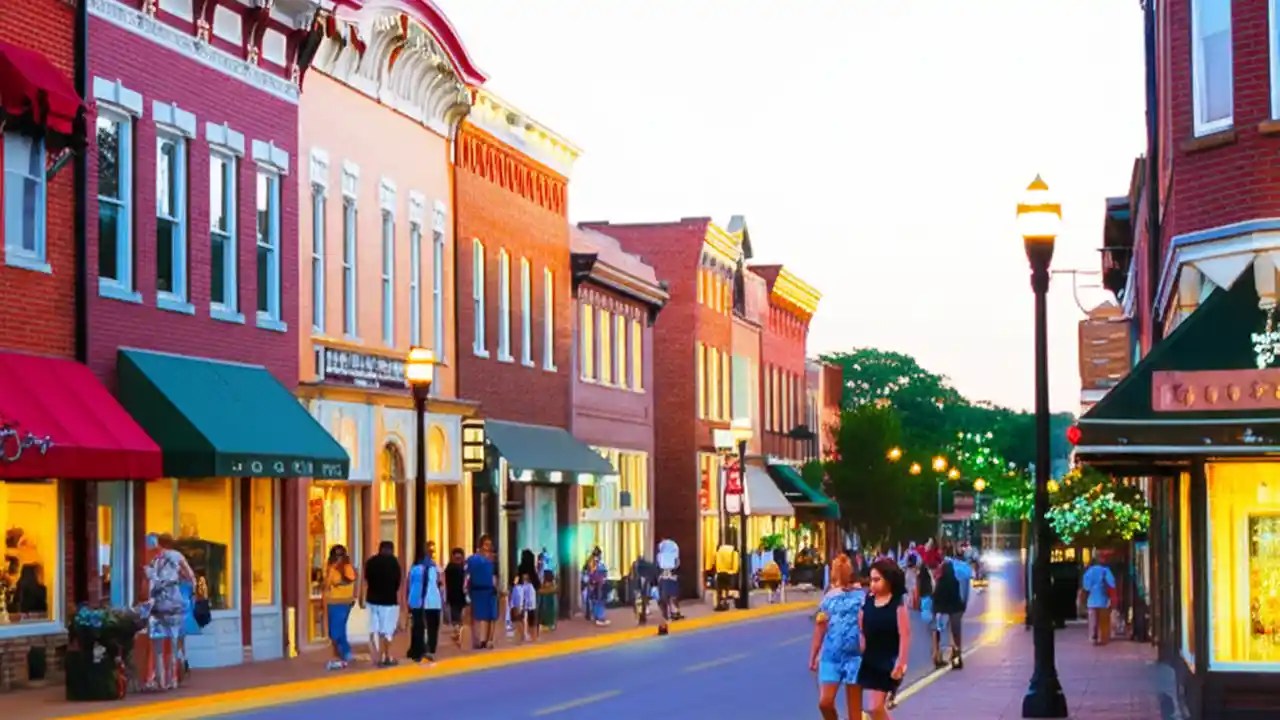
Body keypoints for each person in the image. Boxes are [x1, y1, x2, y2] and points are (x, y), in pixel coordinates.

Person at [809, 555, 865, 720]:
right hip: (831, 657)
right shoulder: (828, 599)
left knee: (854, 714)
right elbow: (821, 628)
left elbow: (867, 627)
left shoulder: (861, 598)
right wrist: (813, 655)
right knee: (825, 703)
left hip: (855, 658)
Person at [858, 558, 911, 720]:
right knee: (872, 709)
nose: (872, 584)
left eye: (877, 580)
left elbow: (905, 634)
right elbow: (860, 627)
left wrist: (901, 663)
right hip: (869, 659)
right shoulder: (867, 601)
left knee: (874, 707)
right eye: (871, 580)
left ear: (888, 580)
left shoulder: (897, 604)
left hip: (888, 661)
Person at [144, 533, 195, 690]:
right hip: (174, 603)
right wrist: (188, 588)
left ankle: (156, 680)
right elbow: (190, 577)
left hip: (156, 603)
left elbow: (147, 580)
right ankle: (172, 679)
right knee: (173, 641)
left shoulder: (152, 557)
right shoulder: (177, 556)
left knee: (156, 643)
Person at [363, 541, 402, 667]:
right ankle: (387, 656)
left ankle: (376, 657)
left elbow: (366, 579)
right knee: (387, 631)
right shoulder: (394, 562)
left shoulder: (371, 562)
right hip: (388, 601)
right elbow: (397, 582)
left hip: (372, 600)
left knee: (374, 630)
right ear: (391, 550)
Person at [406, 542, 444, 663]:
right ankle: (429, 650)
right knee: (432, 627)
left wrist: (408, 601)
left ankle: (418, 650)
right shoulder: (436, 569)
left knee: (418, 627)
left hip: (419, 602)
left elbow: (409, 585)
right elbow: (441, 585)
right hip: (432, 602)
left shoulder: (415, 569)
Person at [322, 544, 357, 670]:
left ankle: (344, 653)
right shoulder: (349, 568)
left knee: (335, 631)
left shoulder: (334, 569)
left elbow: (326, 585)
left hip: (336, 602)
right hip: (344, 602)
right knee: (340, 628)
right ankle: (344, 653)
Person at [465, 534, 499, 649]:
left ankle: (489, 640)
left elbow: (495, 575)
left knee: (491, 616)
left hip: (490, 590)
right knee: (478, 616)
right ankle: (479, 640)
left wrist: (496, 587)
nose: (488, 547)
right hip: (477, 590)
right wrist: (466, 590)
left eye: (489, 545)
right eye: (486, 544)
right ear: (481, 545)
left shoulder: (492, 560)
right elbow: (467, 576)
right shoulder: (473, 559)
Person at [930, 559, 965, 669]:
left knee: (937, 632)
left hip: (940, 611)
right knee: (954, 635)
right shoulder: (955, 581)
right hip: (955, 610)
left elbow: (935, 596)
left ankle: (937, 656)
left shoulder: (940, 582)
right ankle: (956, 658)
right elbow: (960, 596)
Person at [1081, 554, 1117, 645]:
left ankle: (1093, 637)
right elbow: (1112, 583)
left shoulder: (1089, 572)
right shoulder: (1105, 571)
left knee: (1093, 620)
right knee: (1103, 620)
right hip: (1103, 600)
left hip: (1091, 600)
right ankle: (1102, 637)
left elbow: (1086, 587)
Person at [444, 547, 468, 649]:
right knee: (458, 615)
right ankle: (458, 632)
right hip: (458, 595)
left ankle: (458, 631)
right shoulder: (459, 569)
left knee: (457, 615)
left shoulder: (450, 568)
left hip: (455, 595)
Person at [656, 536, 681, 622]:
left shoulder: (660, 555)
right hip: (672, 577)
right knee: (673, 596)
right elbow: (677, 563)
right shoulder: (674, 550)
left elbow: (658, 566)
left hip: (664, 578)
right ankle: (675, 612)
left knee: (664, 598)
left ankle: (667, 615)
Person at [509, 571, 537, 642]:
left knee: (522, 620)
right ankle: (523, 634)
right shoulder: (518, 587)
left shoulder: (524, 587)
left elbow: (527, 597)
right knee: (520, 620)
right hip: (519, 605)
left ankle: (524, 634)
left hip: (522, 605)